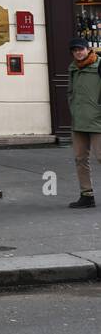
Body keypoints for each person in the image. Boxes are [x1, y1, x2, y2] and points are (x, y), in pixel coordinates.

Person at [66, 37, 101, 208]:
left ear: (88, 49)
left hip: (98, 121)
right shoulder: (73, 68)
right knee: (80, 159)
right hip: (79, 121)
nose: (78, 52)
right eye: (74, 50)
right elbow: (70, 92)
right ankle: (87, 195)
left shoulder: (99, 66)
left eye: (80, 49)